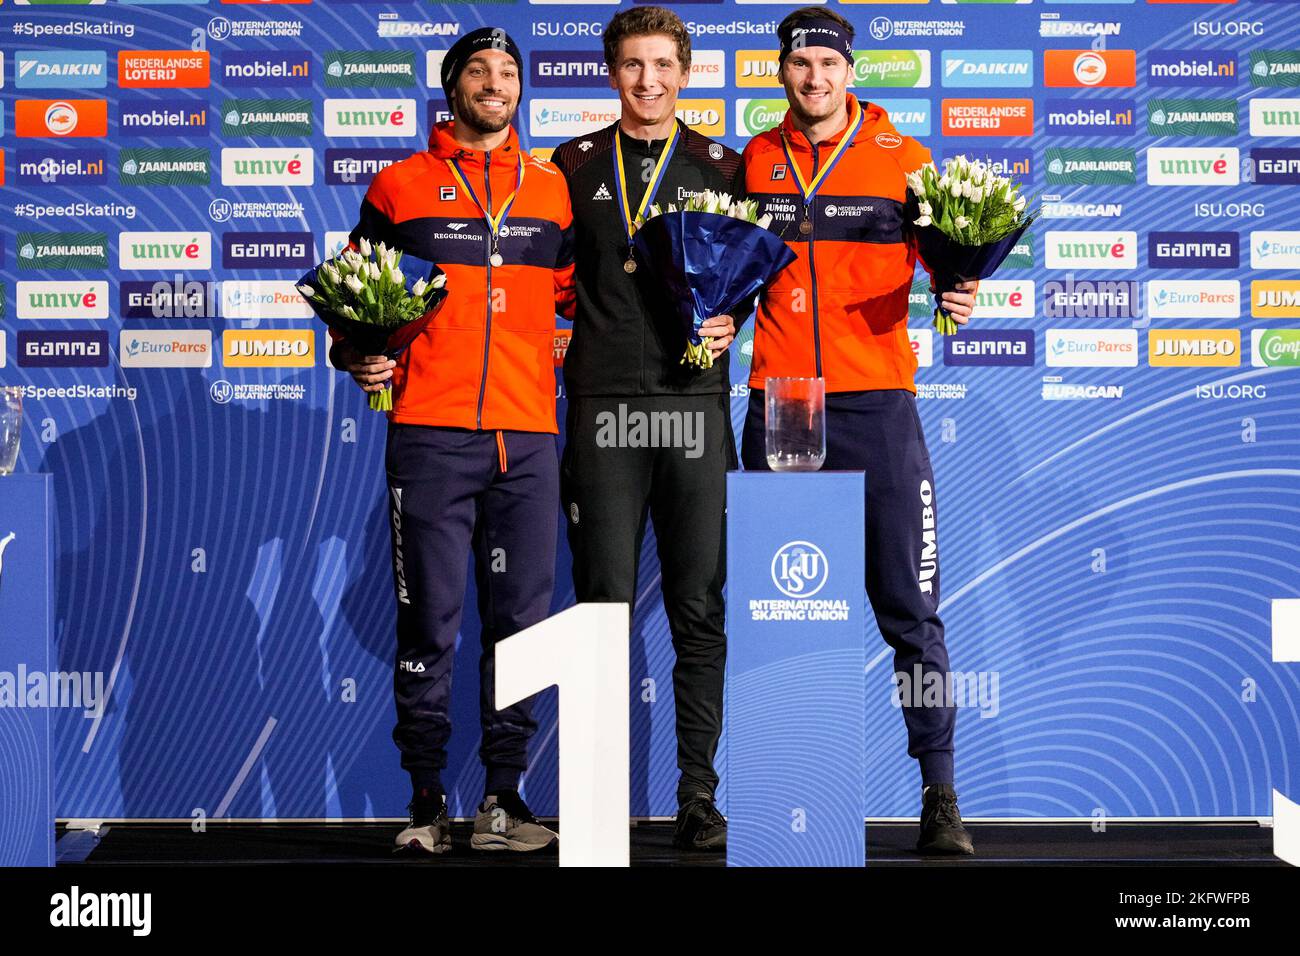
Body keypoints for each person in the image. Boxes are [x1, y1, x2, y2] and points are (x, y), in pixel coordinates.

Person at [329, 26, 576, 855]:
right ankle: (427, 799)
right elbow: (358, 297)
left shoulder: (552, 189)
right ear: (453, 87)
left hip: (530, 435)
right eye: (479, 70)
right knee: (429, 622)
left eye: (508, 72)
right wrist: (359, 355)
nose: (496, 82)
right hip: (430, 433)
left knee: (524, 625)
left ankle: (504, 798)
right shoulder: (401, 185)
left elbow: (580, 301)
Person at [739, 6, 979, 855]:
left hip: (877, 401)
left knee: (909, 609)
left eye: (827, 65)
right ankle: (789, 800)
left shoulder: (903, 159)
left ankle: (940, 793)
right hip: (782, 401)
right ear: (781, 73)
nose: (814, 79)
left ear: (850, 71)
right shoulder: (755, 160)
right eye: (799, 64)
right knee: (781, 606)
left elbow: (955, 253)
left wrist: (961, 287)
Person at [550, 5, 745, 850]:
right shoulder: (569, 164)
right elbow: (541, 278)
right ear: (611, 72)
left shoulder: (722, 165)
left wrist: (733, 316)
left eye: (663, 65)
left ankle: (697, 797)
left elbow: (756, 275)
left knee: (700, 609)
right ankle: (597, 798)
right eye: (633, 65)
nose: (648, 81)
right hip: (602, 408)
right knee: (600, 612)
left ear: (687, 72)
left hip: (694, 409)